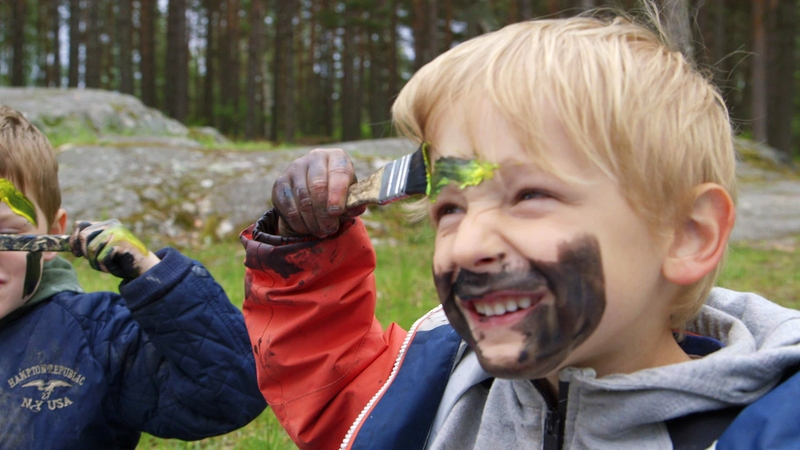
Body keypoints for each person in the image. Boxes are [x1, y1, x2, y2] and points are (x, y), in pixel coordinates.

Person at [240, 10, 800, 450]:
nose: (470, 246)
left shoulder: (763, 432)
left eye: (530, 195)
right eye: (450, 208)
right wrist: (301, 249)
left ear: (687, 235)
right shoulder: (438, 386)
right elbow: (340, 401)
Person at [0, 105, 266, 449]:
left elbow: (230, 389)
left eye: (6, 233)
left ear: (51, 235)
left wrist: (155, 276)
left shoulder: (98, 339)